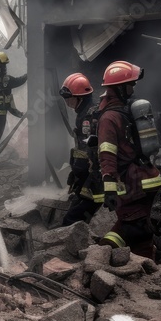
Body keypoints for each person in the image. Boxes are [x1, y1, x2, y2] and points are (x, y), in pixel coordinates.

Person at [97, 61, 161, 259]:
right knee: (132, 222)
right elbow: (110, 153)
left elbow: (106, 153)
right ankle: (105, 251)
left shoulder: (111, 116)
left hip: (133, 183)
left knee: (136, 228)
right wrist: (110, 187)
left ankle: (145, 266)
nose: (133, 89)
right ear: (119, 87)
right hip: (147, 178)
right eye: (130, 85)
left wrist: (109, 188)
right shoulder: (121, 114)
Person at [59, 73, 104, 225]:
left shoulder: (88, 117)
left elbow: (89, 151)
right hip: (89, 174)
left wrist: (78, 171)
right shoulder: (84, 112)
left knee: (73, 218)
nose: (67, 102)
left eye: (69, 98)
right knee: (76, 208)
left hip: (95, 176)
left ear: (80, 97)